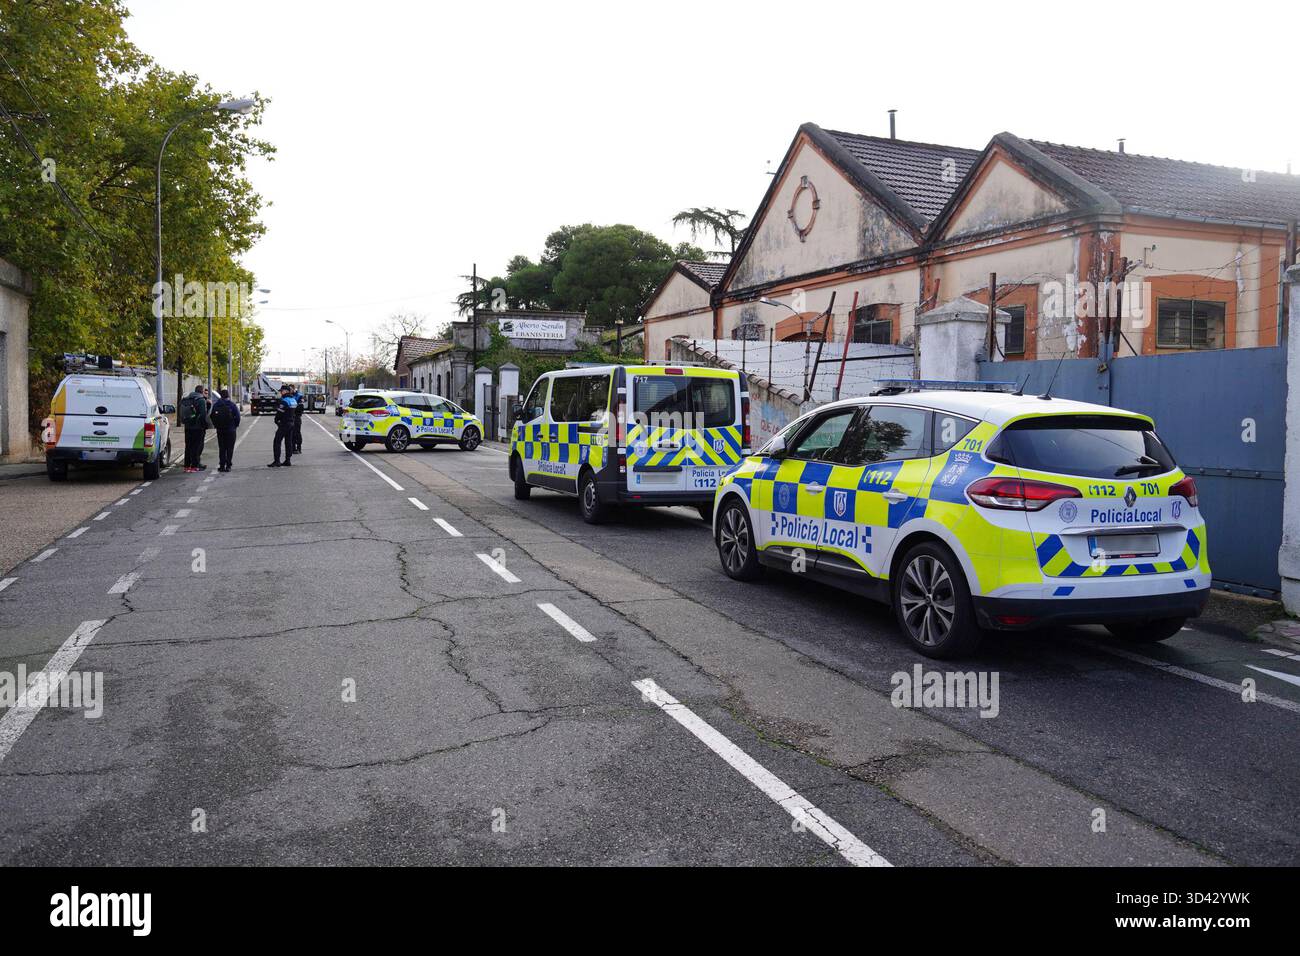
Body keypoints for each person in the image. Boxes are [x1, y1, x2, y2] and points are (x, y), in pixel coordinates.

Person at [179, 385, 211, 473]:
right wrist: (205, 425)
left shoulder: (186, 399)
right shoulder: (201, 400)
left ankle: (186, 466)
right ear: (201, 391)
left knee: (188, 446)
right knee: (196, 447)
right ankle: (195, 466)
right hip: (198, 427)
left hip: (188, 426)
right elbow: (203, 415)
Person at [211, 387, 242, 472]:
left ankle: (221, 465)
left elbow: (212, 416)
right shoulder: (232, 405)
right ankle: (228, 465)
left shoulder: (216, 405)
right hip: (230, 430)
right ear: (228, 395)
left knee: (222, 448)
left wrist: (216, 425)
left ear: (220, 396)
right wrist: (235, 426)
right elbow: (238, 417)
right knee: (230, 448)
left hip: (220, 430)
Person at [268, 384, 297, 468]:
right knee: (288, 442)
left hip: (284, 424)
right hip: (291, 423)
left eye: (282, 391)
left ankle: (277, 461)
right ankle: (288, 460)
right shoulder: (293, 400)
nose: (281, 392)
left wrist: (276, 420)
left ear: (286, 391)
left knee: (277, 441)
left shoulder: (284, 401)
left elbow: (279, 413)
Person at [292, 384, 304, 454]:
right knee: (291, 433)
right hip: (290, 417)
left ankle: (299, 447)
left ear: (294, 389)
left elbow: (301, 407)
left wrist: (292, 409)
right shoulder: (288, 396)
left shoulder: (299, 396)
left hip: (296, 417)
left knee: (297, 432)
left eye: (291, 389)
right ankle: (293, 447)